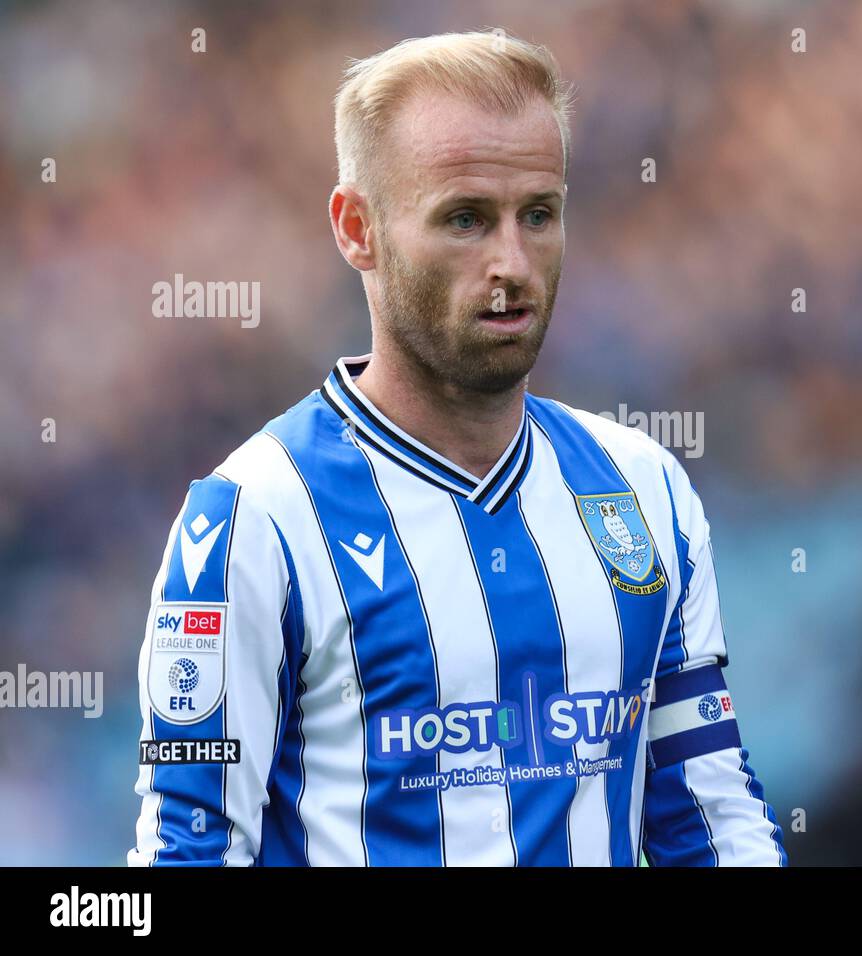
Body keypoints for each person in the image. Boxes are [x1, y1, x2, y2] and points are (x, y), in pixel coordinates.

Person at [128, 30, 787, 866]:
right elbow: (189, 852)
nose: (512, 263)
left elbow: (711, 815)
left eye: (538, 215)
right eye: (466, 219)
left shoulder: (644, 489)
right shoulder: (251, 519)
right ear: (357, 229)